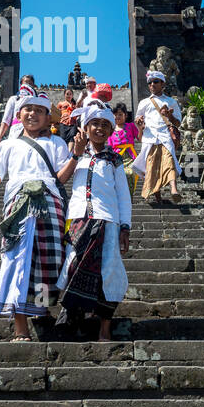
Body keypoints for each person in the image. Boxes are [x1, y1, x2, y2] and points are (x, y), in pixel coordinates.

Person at [0, 94, 79, 342]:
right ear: (18, 115)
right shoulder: (8, 145)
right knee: (18, 261)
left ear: (47, 117)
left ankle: (41, 310)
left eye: (39, 110)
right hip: (18, 205)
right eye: (27, 109)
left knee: (50, 260)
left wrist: (75, 155)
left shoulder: (57, 143)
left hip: (50, 203)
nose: (32, 114)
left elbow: (61, 179)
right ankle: (20, 327)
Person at [58, 103, 131, 342]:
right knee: (73, 267)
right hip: (78, 220)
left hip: (107, 220)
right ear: (85, 127)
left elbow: (123, 196)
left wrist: (125, 226)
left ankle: (104, 328)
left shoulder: (115, 160)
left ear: (111, 130)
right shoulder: (75, 154)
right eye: (94, 124)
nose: (99, 129)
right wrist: (76, 153)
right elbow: (60, 180)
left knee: (109, 274)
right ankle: (76, 320)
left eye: (104, 125)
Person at [132, 70, 183, 205]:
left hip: (165, 135)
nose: (152, 84)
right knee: (152, 166)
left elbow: (178, 122)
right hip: (149, 136)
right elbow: (137, 119)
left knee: (169, 161)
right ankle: (158, 197)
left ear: (163, 84)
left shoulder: (170, 102)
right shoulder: (144, 102)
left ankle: (174, 189)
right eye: (150, 82)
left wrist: (169, 116)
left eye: (155, 82)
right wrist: (139, 123)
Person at [0, 75, 37, 146]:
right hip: (16, 132)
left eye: (30, 84)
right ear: (21, 85)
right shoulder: (14, 99)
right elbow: (6, 120)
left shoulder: (37, 101)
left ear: (34, 86)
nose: (27, 85)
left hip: (32, 133)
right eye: (25, 83)